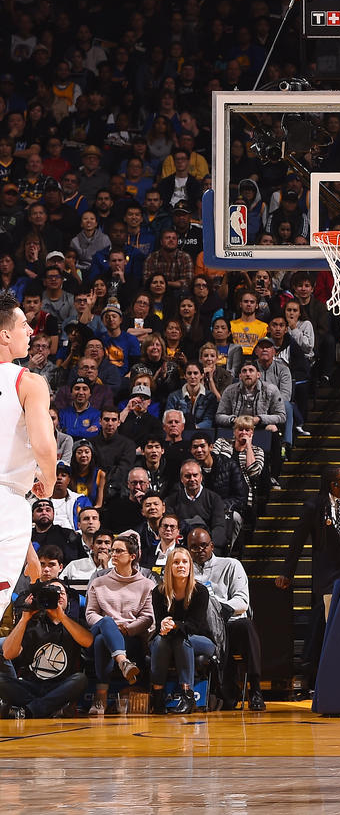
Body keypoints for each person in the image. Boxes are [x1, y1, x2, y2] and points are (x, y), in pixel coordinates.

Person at [0, 291, 59, 595]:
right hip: (8, 499)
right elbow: (45, 447)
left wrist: (28, 551)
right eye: (23, 325)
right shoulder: (28, 382)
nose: (29, 331)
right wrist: (48, 482)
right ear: (5, 335)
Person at [275, 466, 340, 692]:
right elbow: (297, 540)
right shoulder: (314, 506)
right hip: (326, 576)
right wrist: (287, 572)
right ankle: (311, 672)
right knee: (321, 621)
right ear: (333, 485)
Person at [0, 545, 93, 718]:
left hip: (59, 684)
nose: (58, 596)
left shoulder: (73, 623)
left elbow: (88, 641)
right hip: (31, 684)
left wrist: (62, 616)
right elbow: (8, 653)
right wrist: (24, 618)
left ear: (67, 598)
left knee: (80, 680)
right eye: (53, 594)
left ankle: (28, 710)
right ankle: (46, 707)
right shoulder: (33, 622)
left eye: (61, 593)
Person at [186, 527, 264, 711]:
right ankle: (224, 691)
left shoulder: (230, 564)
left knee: (246, 626)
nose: (200, 550)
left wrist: (216, 607)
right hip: (203, 627)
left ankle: (256, 690)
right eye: (194, 547)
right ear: (188, 549)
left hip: (229, 620)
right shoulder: (185, 568)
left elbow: (242, 601)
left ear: (212, 545)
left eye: (204, 545)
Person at [83, 532, 154, 716]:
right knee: (106, 623)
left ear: (132, 556)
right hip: (101, 627)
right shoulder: (98, 582)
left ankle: (101, 696)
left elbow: (147, 617)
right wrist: (112, 627)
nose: (112, 553)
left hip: (130, 637)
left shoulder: (146, 585)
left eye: (118, 551)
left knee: (102, 642)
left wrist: (128, 629)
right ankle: (123, 663)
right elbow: (90, 614)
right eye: (112, 550)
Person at [148, 547, 215, 715]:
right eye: (176, 562)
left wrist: (174, 625)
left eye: (185, 562)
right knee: (160, 641)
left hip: (200, 639)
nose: (181, 566)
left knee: (181, 640)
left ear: (190, 566)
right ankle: (157, 696)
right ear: (169, 566)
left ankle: (187, 695)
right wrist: (164, 627)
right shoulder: (158, 592)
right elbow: (159, 624)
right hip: (169, 637)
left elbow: (194, 626)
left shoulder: (200, 591)